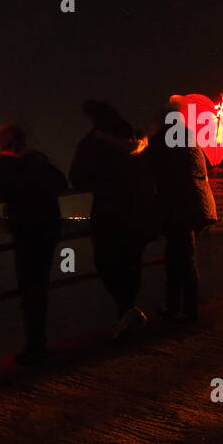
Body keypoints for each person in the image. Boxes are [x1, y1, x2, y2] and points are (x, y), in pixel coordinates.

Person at [68, 100, 158, 339]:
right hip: (140, 211)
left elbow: (76, 178)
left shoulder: (92, 143)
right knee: (132, 261)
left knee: (106, 262)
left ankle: (126, 310)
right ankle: (128, 312)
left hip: (109, 212)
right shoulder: (138, 140)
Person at [0, 124, 68, 364]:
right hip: (48, 230)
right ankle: (38, 342)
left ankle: (34, 344)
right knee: (39, 287)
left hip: (25, 233)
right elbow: (61, 184)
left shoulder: (0, 166)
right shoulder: (38, 161)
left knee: (29, 288)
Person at [146, 105, 218, 322]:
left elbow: (147, 168)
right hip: (199, 206)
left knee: (182, 259)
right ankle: (178, 306)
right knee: (178, 257)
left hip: (180, 208)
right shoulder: (190, 138)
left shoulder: (161, 141)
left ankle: (187, 310)